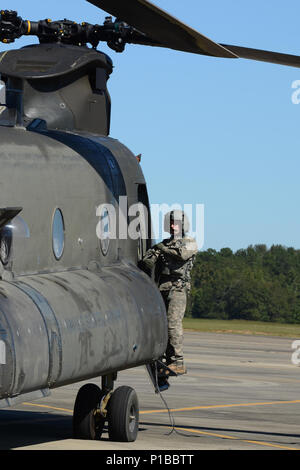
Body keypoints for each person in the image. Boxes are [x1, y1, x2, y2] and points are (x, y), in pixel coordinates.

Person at [140, 210, 198, 375]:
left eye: (176, 223)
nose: (173, 226)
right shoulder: (164, 244)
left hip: (177, 289)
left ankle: (177, 361)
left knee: (173, 324)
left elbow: (182, 255)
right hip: (162, 288)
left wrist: (161, 249)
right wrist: (151, 256)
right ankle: (165, 359)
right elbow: (147, 261)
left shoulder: (189, 242)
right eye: (171, 223)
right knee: (163, 326)